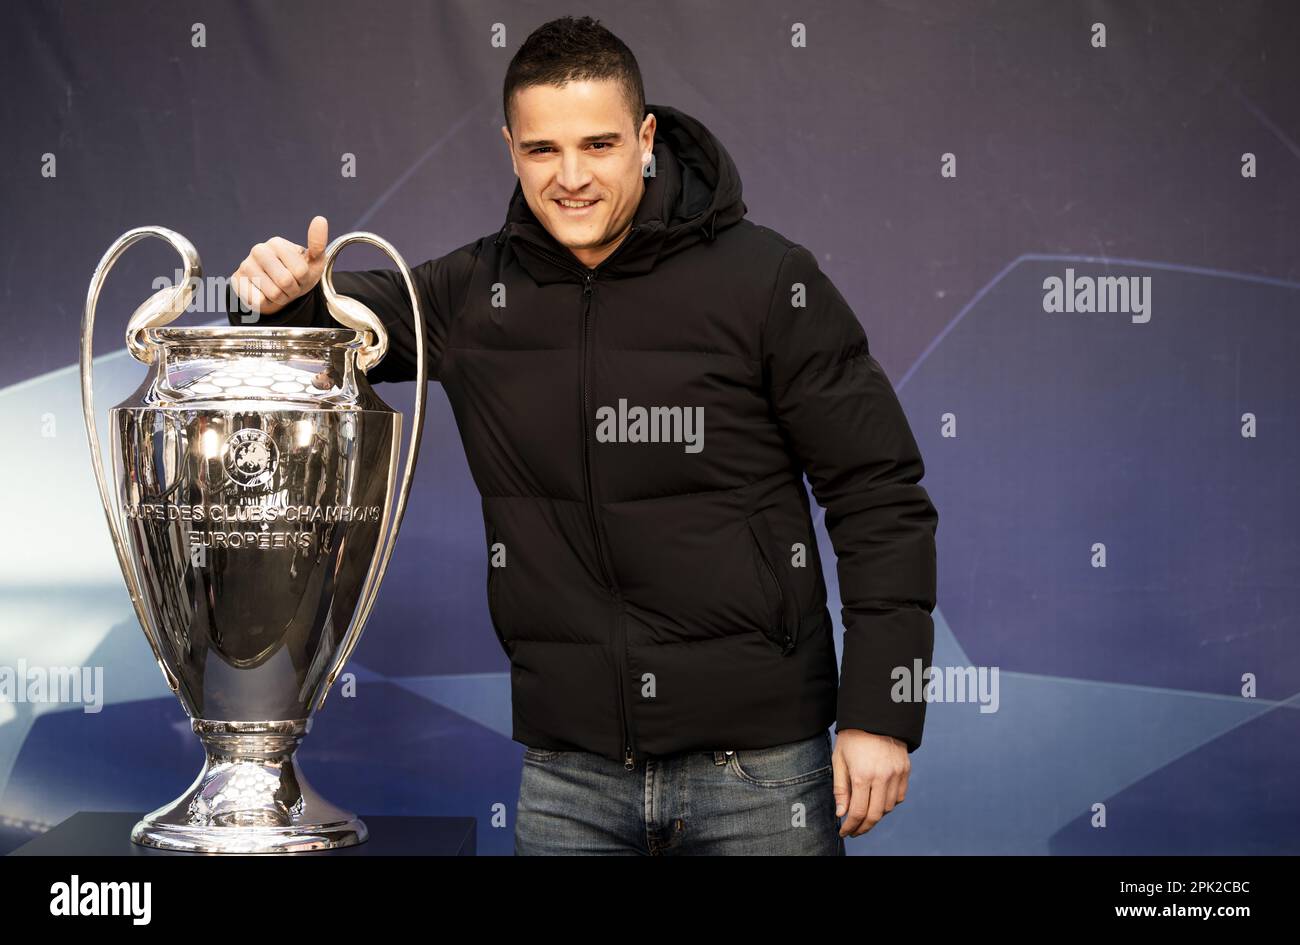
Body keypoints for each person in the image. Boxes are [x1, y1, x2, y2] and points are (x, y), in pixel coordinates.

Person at [228, 15, 938, 856]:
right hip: (569, 777)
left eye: (598, 145)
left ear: (645, 138)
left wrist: (880, 715)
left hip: (761, 772)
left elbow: (880, 495)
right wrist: (273, 296)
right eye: (542, 150)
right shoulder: (471, 296)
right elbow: (328, 324)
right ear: (510, 147)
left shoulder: (768, 282)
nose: (571, 178)